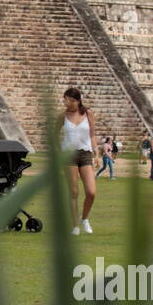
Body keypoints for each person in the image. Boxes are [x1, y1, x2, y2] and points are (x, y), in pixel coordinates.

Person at [60, 88, 99, 234]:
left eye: (70, 100)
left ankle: (85, 218)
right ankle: (75, 225)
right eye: (65, 100)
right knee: (74, 192)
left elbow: (92, 135)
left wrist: (97, 154)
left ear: (78, 101)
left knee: (91, 192)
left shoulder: (88, 113)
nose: (67, 103)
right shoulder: (63, 115)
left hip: (85, 154)